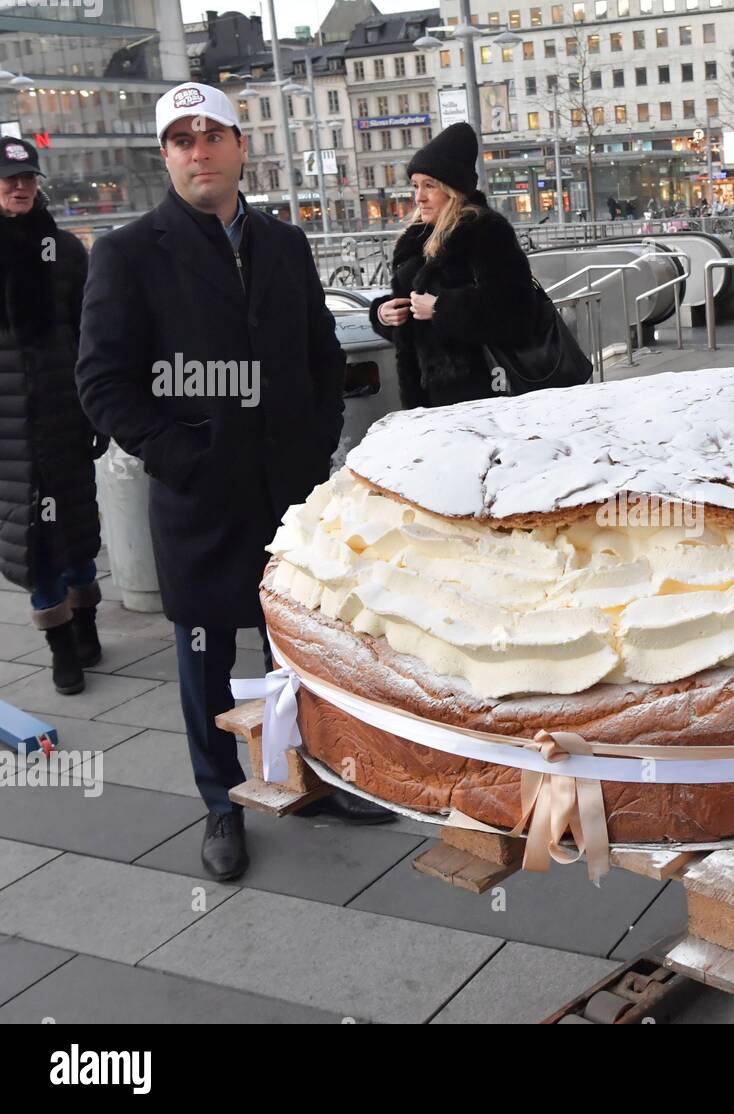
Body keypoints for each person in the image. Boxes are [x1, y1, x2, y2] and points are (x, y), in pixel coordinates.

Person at [76, 82, 394, 883]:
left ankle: (309, 776)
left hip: (289, 492)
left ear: (240, 145)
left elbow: (322, 354)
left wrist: (319, 436)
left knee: (298, 646)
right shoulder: (129, 253)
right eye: (181, 138)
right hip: (199, 498)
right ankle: (221, 800)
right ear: (166, 155)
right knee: (205, 654)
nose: (198, 149)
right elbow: (103, 383)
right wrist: (180, 453)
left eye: (211, 133)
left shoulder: (285, 244)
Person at [0, 138, 105, 696]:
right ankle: (60, 645)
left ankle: (85, 621)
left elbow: (90, 334)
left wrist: (98, 410)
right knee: (30, 537)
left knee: (77, 529)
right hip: (9, 426)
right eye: (9, 180)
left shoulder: (64, 251)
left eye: (27, 179)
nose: (20, 188)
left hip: (65, 414)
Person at [371, 123, 537, 408]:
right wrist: (384, 314)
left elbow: (516, 310)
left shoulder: (485, 231)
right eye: (415, 186)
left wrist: (440, 308)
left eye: (429, 186)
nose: (418, 196)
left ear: (452, 190)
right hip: (426, 396)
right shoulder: (416, 239)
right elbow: (416, 318)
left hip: (484, 393)